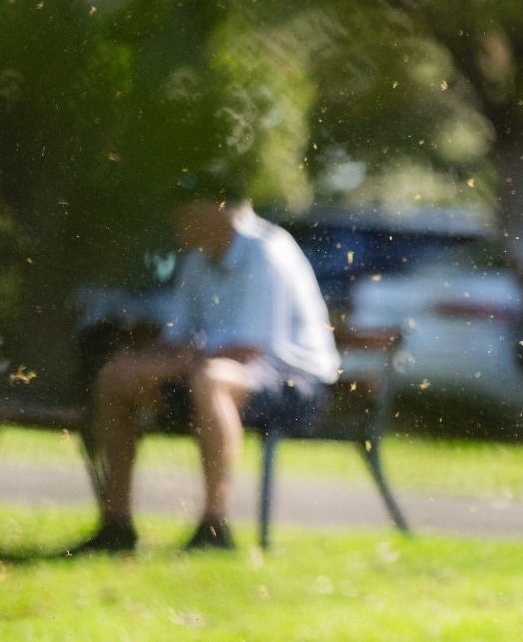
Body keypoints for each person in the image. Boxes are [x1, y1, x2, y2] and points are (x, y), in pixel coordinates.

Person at [73, 175, 340, 553]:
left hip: (298, 386)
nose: (176, 217)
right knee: (115, 378)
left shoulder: (266, 251)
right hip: (215, 374)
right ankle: (117, 526)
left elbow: (248, 350)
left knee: (210, 379)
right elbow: (177, 341)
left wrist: (167, 364)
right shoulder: (197, 261)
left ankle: (214, 527)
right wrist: (139, 365)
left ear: (216, 208)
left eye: (186, 206)